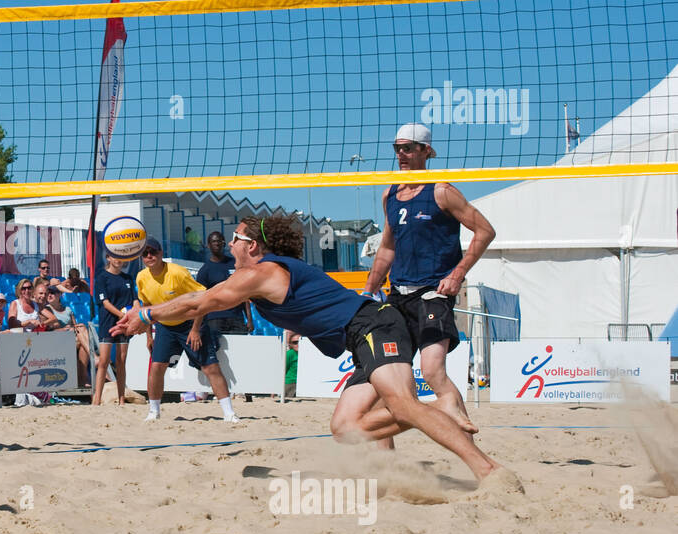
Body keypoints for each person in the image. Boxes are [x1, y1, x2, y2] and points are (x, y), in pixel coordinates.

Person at [113, 214, 518, 490]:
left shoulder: (262, 271)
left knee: (405, 404)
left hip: (375, 324)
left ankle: (489, 471)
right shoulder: (258, 273)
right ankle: (436, 415)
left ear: (252, 246)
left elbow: (200, 303)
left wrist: (145, 314)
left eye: (235, 237)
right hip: (360, 337)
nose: (230, 242)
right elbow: (202, 300)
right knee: (345, 429)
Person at [365, 123, 494, 436]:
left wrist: (457, 274)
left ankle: (469, 447)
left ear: (426, 151)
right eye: (397, 148)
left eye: (408, 148)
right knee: (385, 381)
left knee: (433, 370)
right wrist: (368, 291)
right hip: (398, 295)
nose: (401, 154)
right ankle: (386, 463)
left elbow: (485, 231)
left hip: (433, 293)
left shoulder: (442, 191)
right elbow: (387, 247)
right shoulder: (390, 194)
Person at [133, 239, 238, 423]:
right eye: (145, 253)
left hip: (190, 324)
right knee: (156, 368)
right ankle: (153, 411)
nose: (149, 256)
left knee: (210, 367)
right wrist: (149, 336)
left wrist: (196, 329)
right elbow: (147, 308)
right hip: (165, 327)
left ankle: (229, 413)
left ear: (161, 252)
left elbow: (202, 299)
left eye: (153, 252)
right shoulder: (141, 277)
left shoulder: (178, 273)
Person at [198, 228, 256, 402]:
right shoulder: (205, 270)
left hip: (236, 317)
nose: (218, 243)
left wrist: (249, 318)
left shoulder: (234, 264)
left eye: (221, 241)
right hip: (214, 319)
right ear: (209, 245)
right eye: (215, 241)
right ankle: (220, 391)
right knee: (219, 356)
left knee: (241, 354)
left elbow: (245, 291)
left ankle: (246, 391)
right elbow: (200, 298)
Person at [92, 253, 135, 406]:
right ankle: (96, 400)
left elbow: (134, 300)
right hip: (108, 322)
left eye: (120, 257)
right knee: (104, 361)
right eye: (114, 256)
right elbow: (105, 303)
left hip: (124, 324)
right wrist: (123, 315)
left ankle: (121, 399)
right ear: (108, 258)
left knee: (121, 361)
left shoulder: (128, 278)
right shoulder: (102, 277)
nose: (118, 260)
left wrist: (135, 312)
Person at [46, 285, 91, 386]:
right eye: (48, 293)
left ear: (59, 295)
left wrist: (74, 328)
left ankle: (83, 379)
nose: (49, 295)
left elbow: (74, 325)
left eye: (52, 293)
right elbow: (48, 331)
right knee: (82, 336)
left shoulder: (67, 309)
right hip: (57, 342)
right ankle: (85, 377)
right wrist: (64, 329)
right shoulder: (46, 310)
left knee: (81, 327)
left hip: (72, 339)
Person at [283, 330, 299, 399]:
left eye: (300, 342)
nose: (298, 344)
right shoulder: (290, 354)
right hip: (291, 383)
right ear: (290, 344)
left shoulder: (309, 354)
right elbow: (283, 370)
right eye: (295, 342)